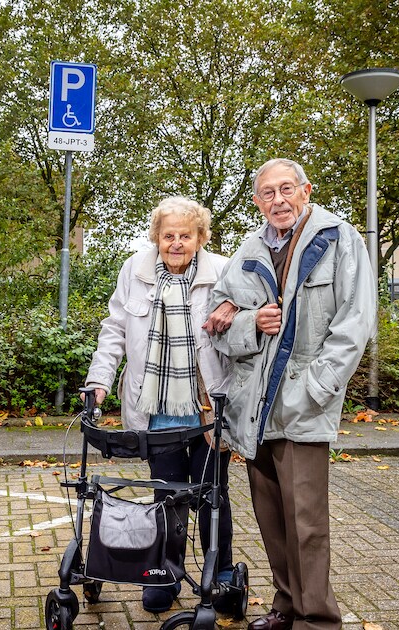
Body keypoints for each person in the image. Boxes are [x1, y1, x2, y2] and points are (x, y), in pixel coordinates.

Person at [203, 158, 376, 630]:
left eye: (286, 189)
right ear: (257, 201)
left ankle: (317, 620)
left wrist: (317, 388)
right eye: (267, 193)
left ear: (305, 191)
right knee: (273, 522)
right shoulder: (247, 249)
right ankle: (286, 608)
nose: (277, 200)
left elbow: (355, 324)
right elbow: (215, 326)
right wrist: (249, 323)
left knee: (307, 525)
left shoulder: (340, 239)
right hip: (255, 407)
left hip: (302, 404)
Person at [83, 196, 236, 614]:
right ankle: (165, 575)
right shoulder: (133, 270)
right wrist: (99, 381)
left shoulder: (223, 271)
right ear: (156, 236)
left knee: (212, 494)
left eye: (186, 235)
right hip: (158, 408)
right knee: (167, 497)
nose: (176, 243)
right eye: (168, 235)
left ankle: (220, 576)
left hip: (207, 407)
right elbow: (114, 330)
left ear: (201, 237)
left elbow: (241, 330)